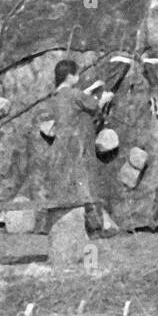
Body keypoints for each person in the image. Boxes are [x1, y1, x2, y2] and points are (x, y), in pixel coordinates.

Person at [38, 59, 113, 231]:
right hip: (76, 144)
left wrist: (89, 90)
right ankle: (94, 226)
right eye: (76, 74)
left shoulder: (57, 96)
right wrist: (105, 98)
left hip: (60, 145)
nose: (78, 77)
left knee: (65, 183)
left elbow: (75, 100)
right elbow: (93, 105)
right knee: (85, 182)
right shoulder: (75, 94)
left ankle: (63, 225)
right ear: (70, 76)